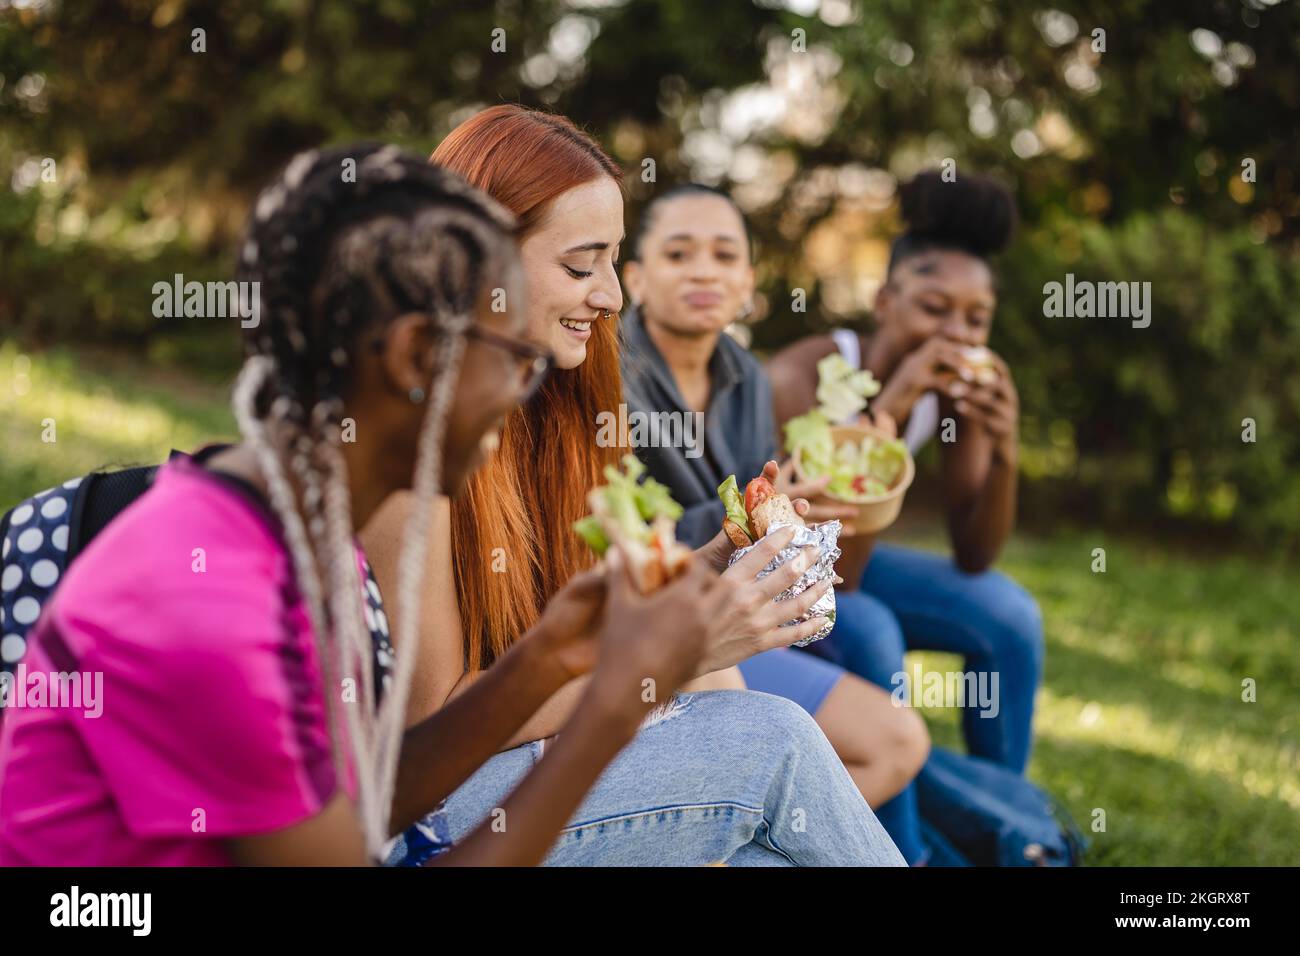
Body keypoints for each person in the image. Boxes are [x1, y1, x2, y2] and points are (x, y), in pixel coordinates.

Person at [0, 145, 770, 866]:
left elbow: (361, 801)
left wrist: (547, 661)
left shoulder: (287, 529)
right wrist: (608, 705)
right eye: (515, 359)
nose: (523, 395)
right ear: (413, 358)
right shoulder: (214, 607)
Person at [362, 107, 905, 866]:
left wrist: (716, 561)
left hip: (516, 768)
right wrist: (670, 660)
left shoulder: (549, 409)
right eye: (582, 266)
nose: (614, 296)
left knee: (762, 838)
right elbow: (430, 738)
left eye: (614, 261)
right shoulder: (415, 445)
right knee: (772, 742)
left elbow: (552, 636)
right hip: (429, 817)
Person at [619, 182, 930, 862]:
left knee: (870, 630)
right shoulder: (607, 378)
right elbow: (627, 532)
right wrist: (761, 507)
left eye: (725, 255)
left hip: (747, 593)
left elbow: (766, 508)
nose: (705, 270)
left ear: (748, 282)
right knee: (878, 666)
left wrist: (795, 499)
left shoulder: (745, 374)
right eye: (679, 253)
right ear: (635, 277)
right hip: (667, 616)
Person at [766, 170, 1044, 779]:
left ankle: (1005, 809)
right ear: (885, 302)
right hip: (784, 577)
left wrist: (1004, 445)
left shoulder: (952, 395)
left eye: (976, 320)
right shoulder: (802, 377)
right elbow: (837, 572)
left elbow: (975, 553)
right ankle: (901, 844)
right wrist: (888, 409)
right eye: (934, 308)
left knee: (1010, 614)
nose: (955, 334)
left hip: (848, 565)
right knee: (871, 627)